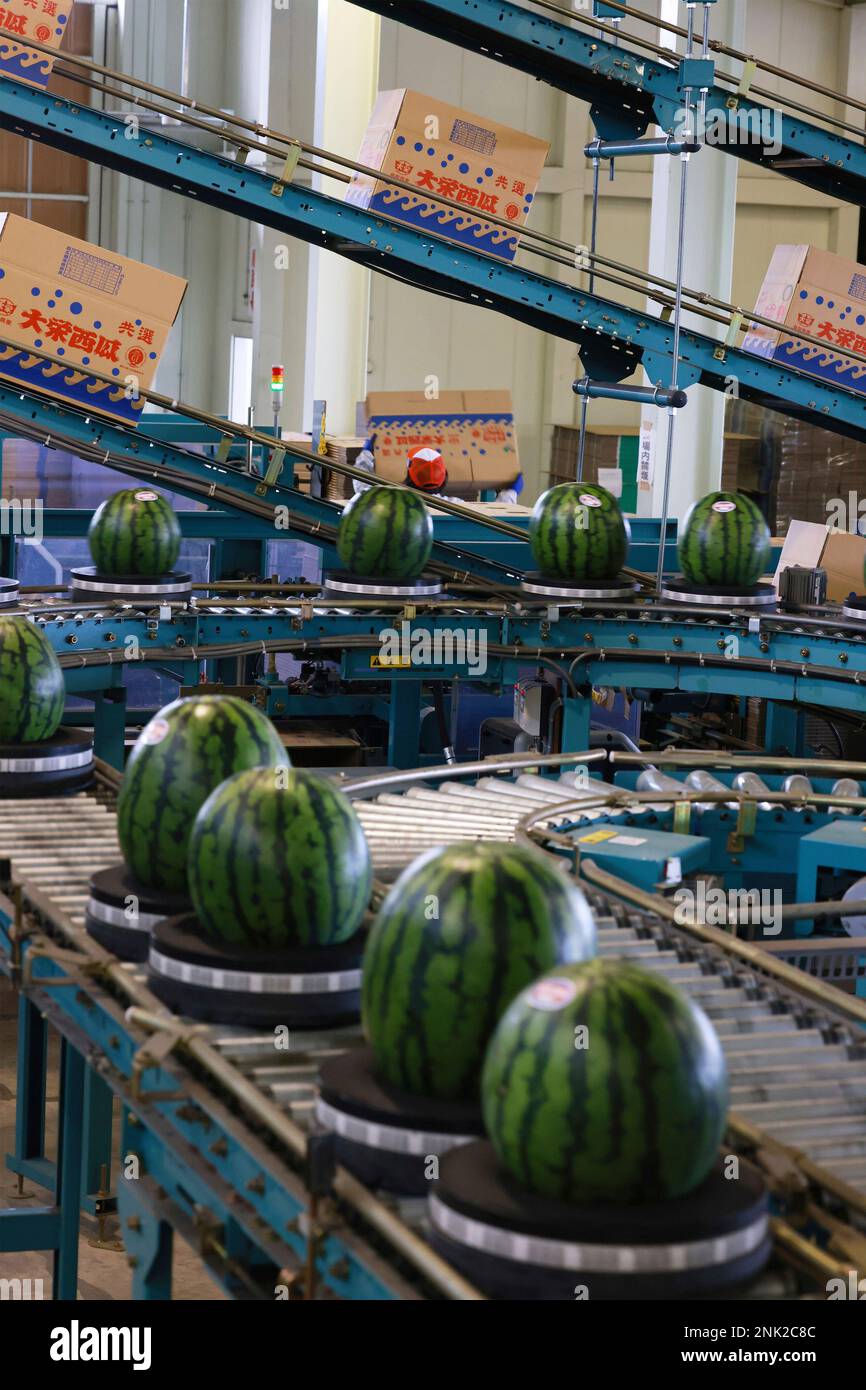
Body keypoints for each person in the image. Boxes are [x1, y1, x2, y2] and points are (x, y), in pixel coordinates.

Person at [405, 445, 524, 504]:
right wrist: (510, 492)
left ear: (409, 476)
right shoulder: (456, 507)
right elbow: (495, 517)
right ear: (444, 478)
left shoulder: (398, 505)